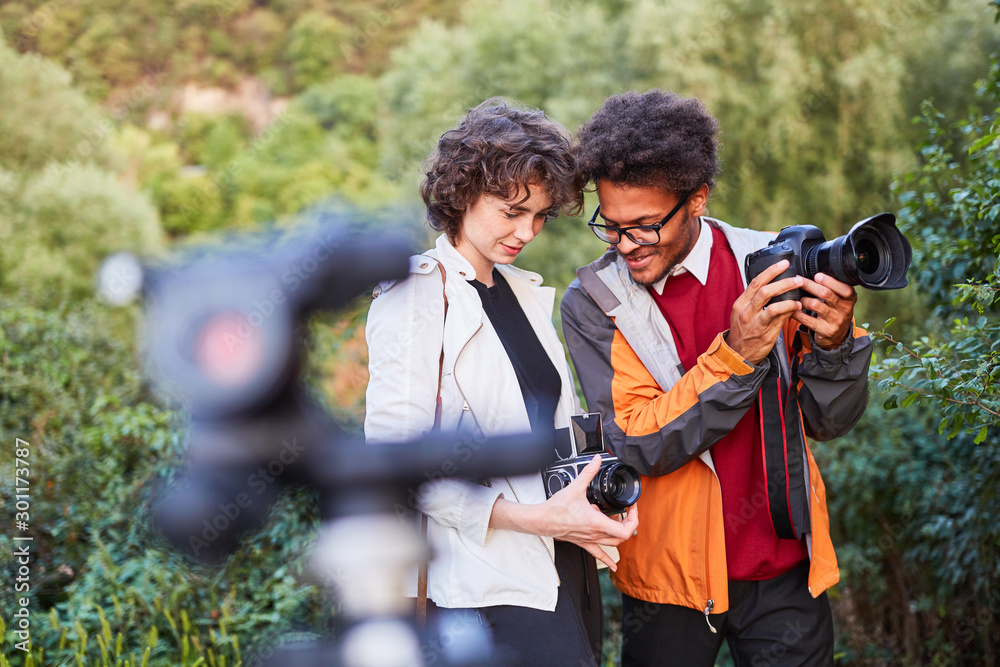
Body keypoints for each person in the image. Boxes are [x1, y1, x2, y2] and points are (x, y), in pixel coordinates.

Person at [560, 90, 872, 666]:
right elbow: (635, 442)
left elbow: (828, 421)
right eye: (611, 226)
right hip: (668, 578)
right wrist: (737, 356)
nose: (626, 245)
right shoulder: (592, 302)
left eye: (645, 226)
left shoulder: (774, 264)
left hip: (784, 566)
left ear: (697, 198)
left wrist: (834, 347)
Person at [364, 98, 639, 667]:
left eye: (539, 215)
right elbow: (398, 462)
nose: (527, 231)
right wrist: (536, 518)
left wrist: (589, 508)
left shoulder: (521, 290)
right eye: (512, 211)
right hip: (482, 582)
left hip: (561, 558)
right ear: (462, 192)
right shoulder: (415, 295)